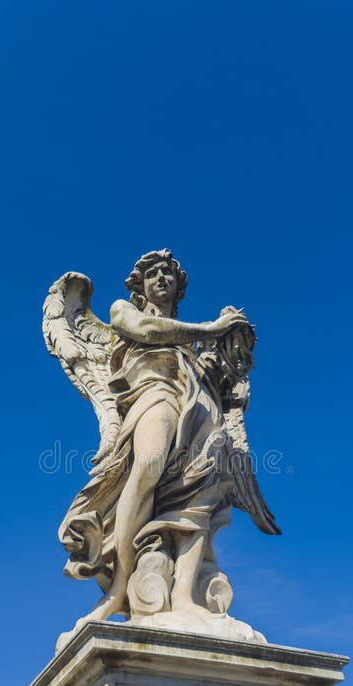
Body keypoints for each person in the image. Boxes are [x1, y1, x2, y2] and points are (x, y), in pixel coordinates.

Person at [59, 249, 247, 626]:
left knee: (202, 492)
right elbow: (146, 331)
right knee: (147, 466)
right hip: (154, 395)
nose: (161, 277)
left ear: (178, 288)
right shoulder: (122, 312)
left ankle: (182, 596)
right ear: (140, 285)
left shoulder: (191, 346)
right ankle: (120, 589)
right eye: (153, 273)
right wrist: (211, 329)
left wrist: (230, 349)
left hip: (196, 405)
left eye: (168, 274)